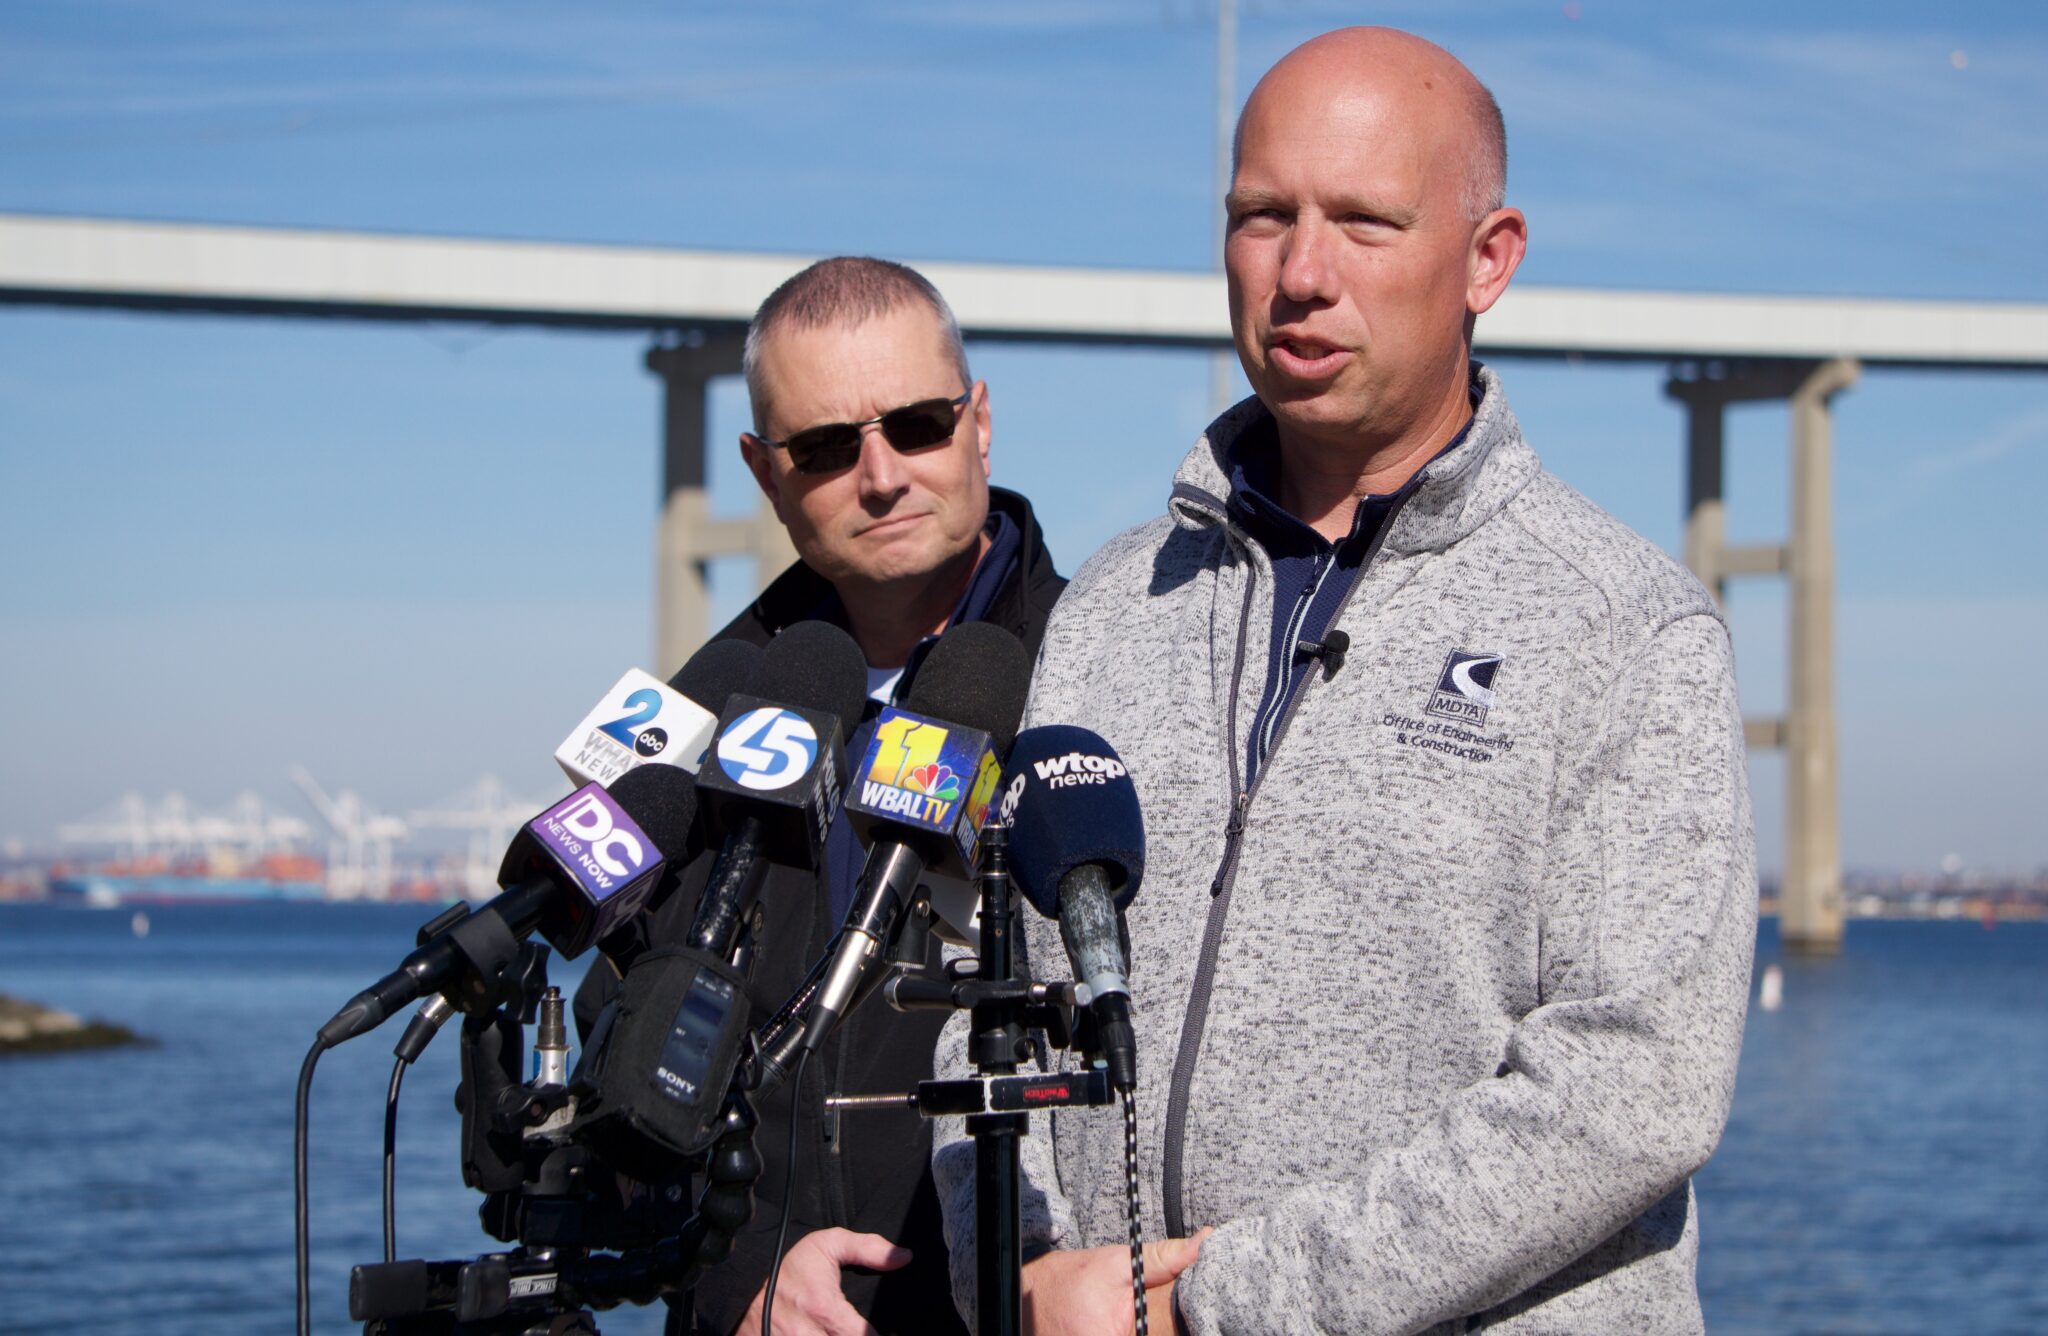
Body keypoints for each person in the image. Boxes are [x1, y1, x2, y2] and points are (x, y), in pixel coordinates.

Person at [932, 27, 1755, 1335]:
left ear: (1491, 258)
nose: (1302, 274)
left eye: (1366, 223)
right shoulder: (1109, 609)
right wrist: (1014, 1265)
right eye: (1265, 217)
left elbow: (1631, 1090)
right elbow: (1003, 979)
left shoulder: (1627, 627)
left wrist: (1214, 1302)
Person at [579, 257, 1065, 1336]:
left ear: (979, 420)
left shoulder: (1107, 676)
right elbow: (621, 1046)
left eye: (920, 423)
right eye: (827, 448)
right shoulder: (690, 713)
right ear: (763, 470)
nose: (882, 476)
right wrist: (739, 1284)